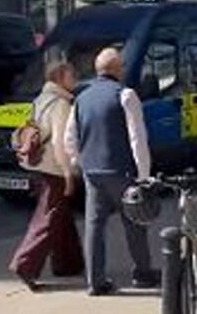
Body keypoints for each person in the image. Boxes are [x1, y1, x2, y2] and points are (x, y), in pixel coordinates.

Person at [64, 48, 159, 296]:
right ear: (118, 69)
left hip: (93, 172)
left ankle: (95, 281)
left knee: (94, 226)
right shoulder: (125, 95)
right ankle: (143, 274)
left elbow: (69, 138)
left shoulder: (81, 99)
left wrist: (80, 162)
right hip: (122, 171)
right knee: (135, 222)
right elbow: (137, 138)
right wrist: (144, 176)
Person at [8, 61, 84, 291]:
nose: (75, 78)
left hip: (37, 166)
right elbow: (60, 143)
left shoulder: (40, 99)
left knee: (62, 217)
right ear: (60, 77)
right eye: (71, 75)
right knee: (48, 218)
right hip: (53, 168)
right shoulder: (61, 104)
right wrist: (68, 173)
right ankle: (24, 264)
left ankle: (68, 264)